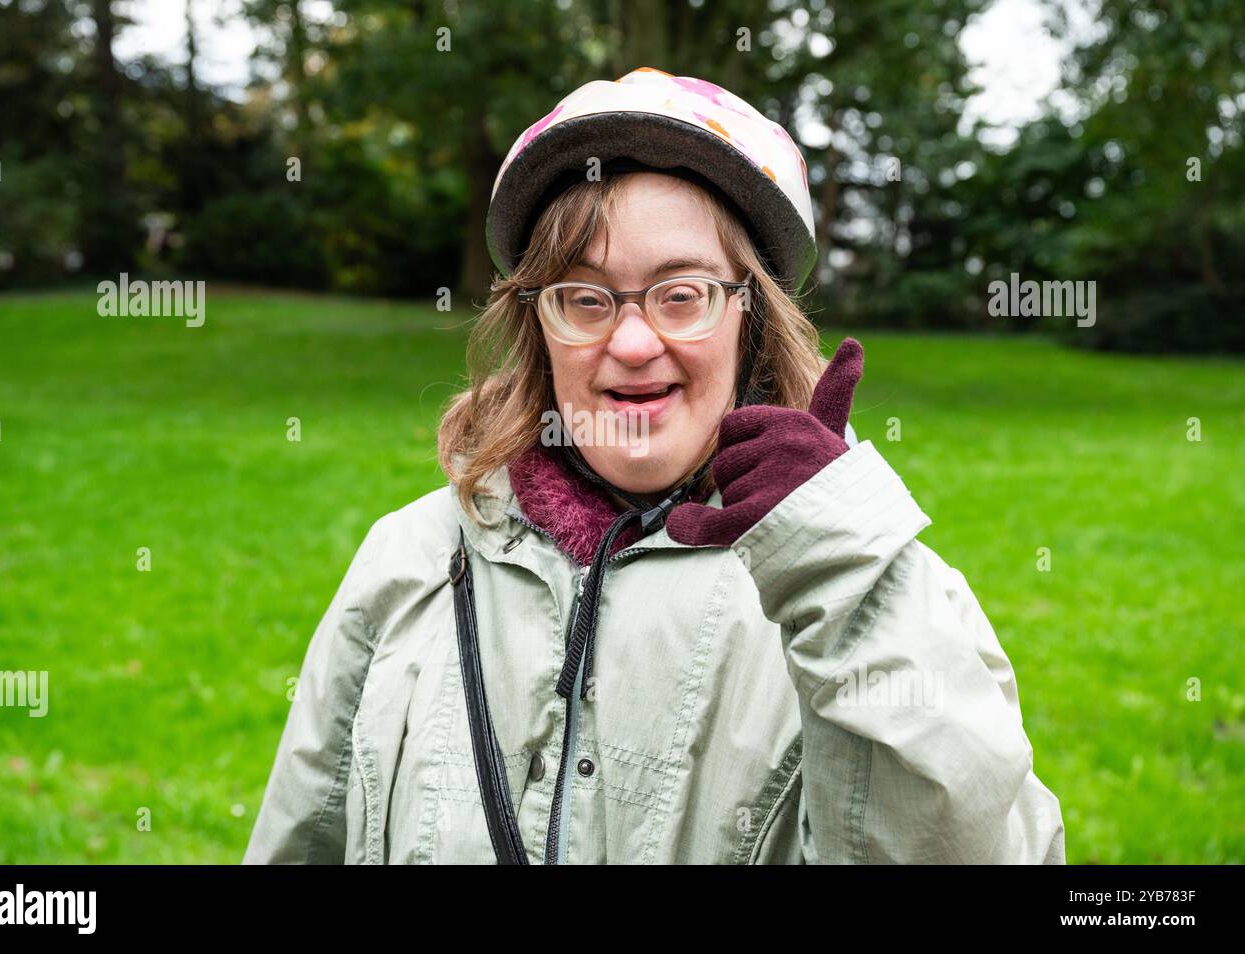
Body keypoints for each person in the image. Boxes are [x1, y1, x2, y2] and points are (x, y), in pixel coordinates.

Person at [243, 66, 1066, 864]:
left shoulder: (860, 583)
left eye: (681, 294)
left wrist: (838, 568)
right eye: (584, 297)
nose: (633, 343)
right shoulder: (410, 560)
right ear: (538, 327)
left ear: (754, 317)